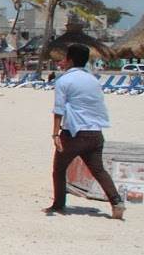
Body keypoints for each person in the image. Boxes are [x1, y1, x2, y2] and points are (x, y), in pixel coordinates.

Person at [44, 43, 125, 219]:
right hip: (95, 132)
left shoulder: (64, 80)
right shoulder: (93, 80)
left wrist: (55, 134)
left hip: (74, 133)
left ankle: (59, 204)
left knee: (59, 168)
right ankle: (116, 201)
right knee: (98, 170)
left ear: (70, 60)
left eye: (65, 59)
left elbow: (59, 110)